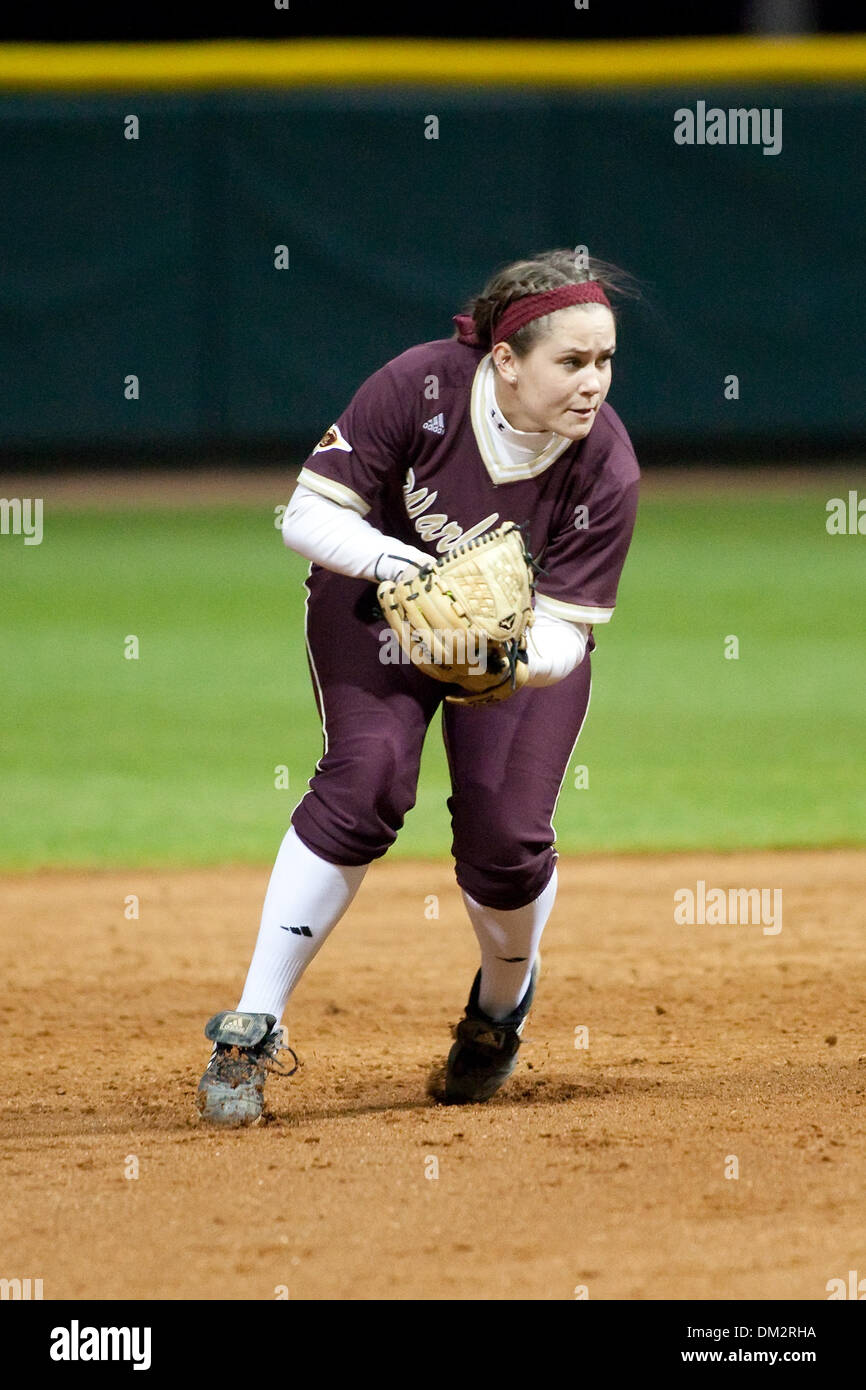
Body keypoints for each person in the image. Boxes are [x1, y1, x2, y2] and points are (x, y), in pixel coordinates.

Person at [196, 248, 641, 1126]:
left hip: (511, 648)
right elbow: (308, 516)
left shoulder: (606, 466)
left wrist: (503, 656)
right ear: (506, 362)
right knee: (365, 783)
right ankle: (250, 1028)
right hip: (371, 607)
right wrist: (409, 570)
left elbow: (566, 631)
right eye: (573, 361)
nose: (595, 383)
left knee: (507, 838)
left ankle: (498, 1013)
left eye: (606, 361)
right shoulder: (422, 386)